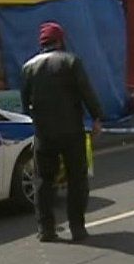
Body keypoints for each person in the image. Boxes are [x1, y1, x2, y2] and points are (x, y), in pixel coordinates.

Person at [21, 21, 104, 243]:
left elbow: (25, 103)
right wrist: (97, 117)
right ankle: (77, 228)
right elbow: (86, 91)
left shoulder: (28, 67)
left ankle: (46, 230)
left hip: (44, 133)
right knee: (77, 179)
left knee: (43, 181)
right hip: (71, 131)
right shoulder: (71, 61)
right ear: (60, 41)